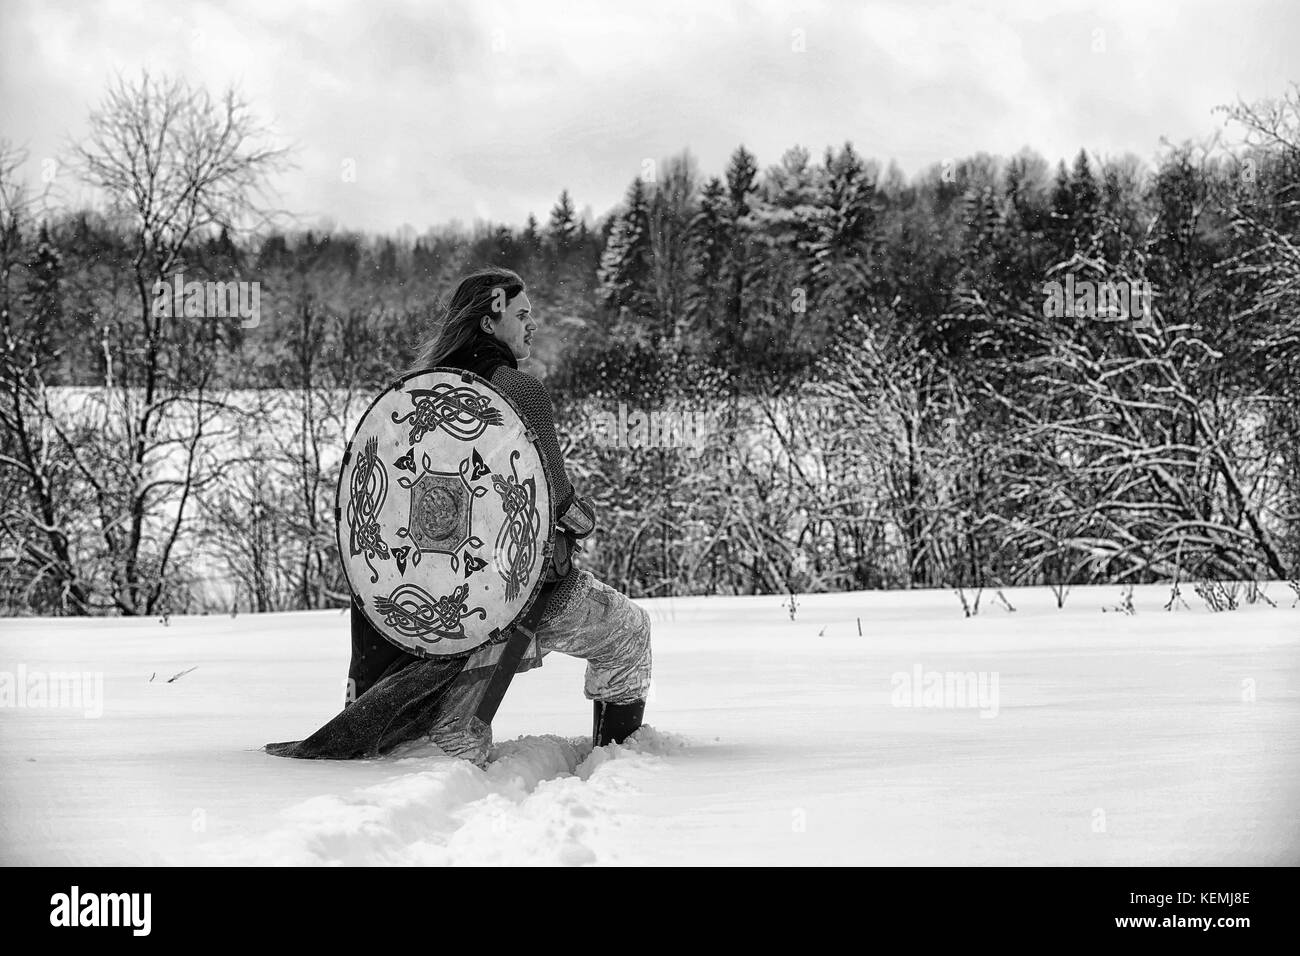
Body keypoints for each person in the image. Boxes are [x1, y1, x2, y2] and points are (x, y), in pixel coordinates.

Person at [266, 267, 651, 767]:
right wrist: (584, 519)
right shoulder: (522, 392)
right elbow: (557, 503)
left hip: (421, 598)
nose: (532, 324)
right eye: (522, 314)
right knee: (629, 632)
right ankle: (623, 763)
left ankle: (435, 730)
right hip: (516, 594)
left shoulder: (416, 392)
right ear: (490, 321)